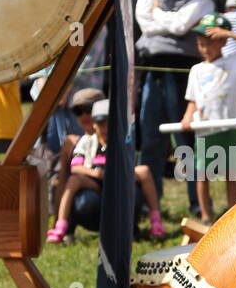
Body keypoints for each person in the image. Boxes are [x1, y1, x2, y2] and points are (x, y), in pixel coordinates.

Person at [134, 0, 213, 216]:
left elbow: (181, 28)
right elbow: (144, 21)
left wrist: (159, 17)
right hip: (153, 69)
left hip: (184, 72)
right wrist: (165, 21)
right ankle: (147, 202)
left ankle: (196, 203)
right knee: (151, 135)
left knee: (186, 137)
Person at [48, 98, 164, 242]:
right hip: (94, 181)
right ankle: (61, 226)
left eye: (109, 124)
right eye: (101, 124)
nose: (105, 129)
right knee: (73, 180)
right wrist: (94, 173)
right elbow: (75, 166)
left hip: (118, 181)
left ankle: (156, 221)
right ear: (94, 125)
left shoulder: (122, 140)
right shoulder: (87, 141)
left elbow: (128, 165)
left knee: (144, 171)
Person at [181, 13, 236, 222]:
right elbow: (192, 99)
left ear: (223, 42)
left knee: (230, 172)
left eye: (209, 43)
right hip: (205, 128)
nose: (205, 49)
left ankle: (233, 211)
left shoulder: (235, 62)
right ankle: (206, 216)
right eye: (201, 44)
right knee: (202, 173)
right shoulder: (196, 70)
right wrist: (187, 117)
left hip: (228, 127)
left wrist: (229, 33)